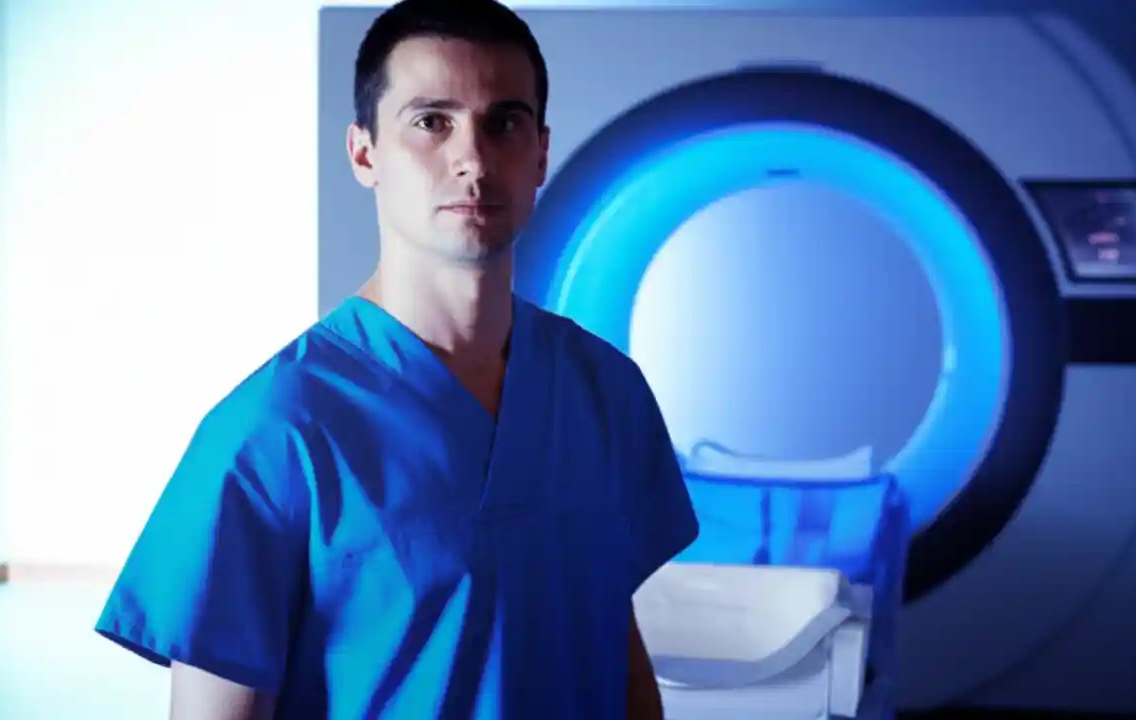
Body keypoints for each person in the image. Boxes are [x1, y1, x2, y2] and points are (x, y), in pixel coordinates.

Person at [94, 1, 699, 718]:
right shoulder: (274, 432)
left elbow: (616, 647)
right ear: (364, 153)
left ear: (539, 152)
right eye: (431, 121)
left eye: (502, 121)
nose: (472, 158)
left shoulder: (605, 392)